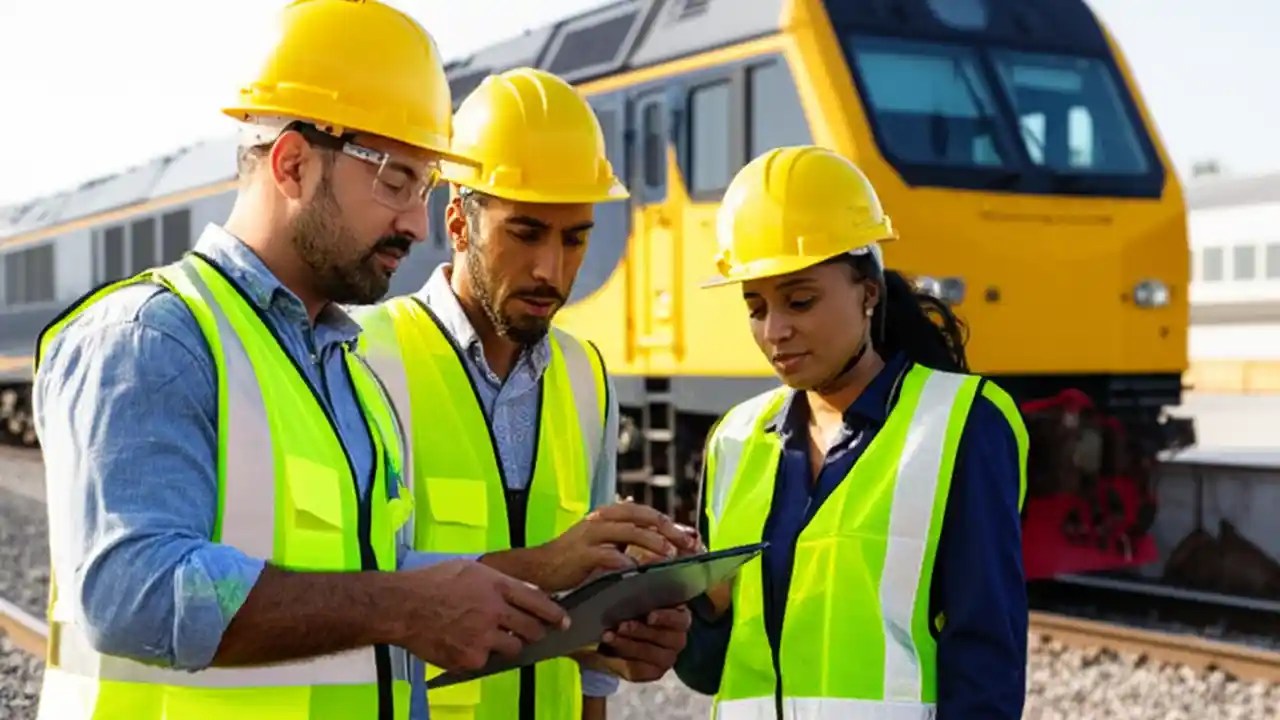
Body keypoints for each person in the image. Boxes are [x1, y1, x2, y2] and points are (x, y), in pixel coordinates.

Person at [31, 3, 573, 719]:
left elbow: (372, 579)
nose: (417, 222)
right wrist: (403, 606)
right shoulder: (153, 338)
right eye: (396, 180)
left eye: (426, 188)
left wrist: (554, 594)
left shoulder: (346, 371)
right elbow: (133, 590)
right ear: (290, 163)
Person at [354, 67, 695, 720]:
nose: (553, 270)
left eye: (575, 239)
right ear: (457, 222)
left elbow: (586, 653)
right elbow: (349, 596)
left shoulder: (587, 377)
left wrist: (624, 640)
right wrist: (544, 565)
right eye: (526, 232)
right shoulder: (365, 358)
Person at [671, 146, 1030, 719]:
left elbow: (987, 656)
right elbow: (706, 670)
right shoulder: (734, 440)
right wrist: (703, 610)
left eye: (801, 300)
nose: (775, 331)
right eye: (755, 306)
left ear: (868, 293)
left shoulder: (960, 424)